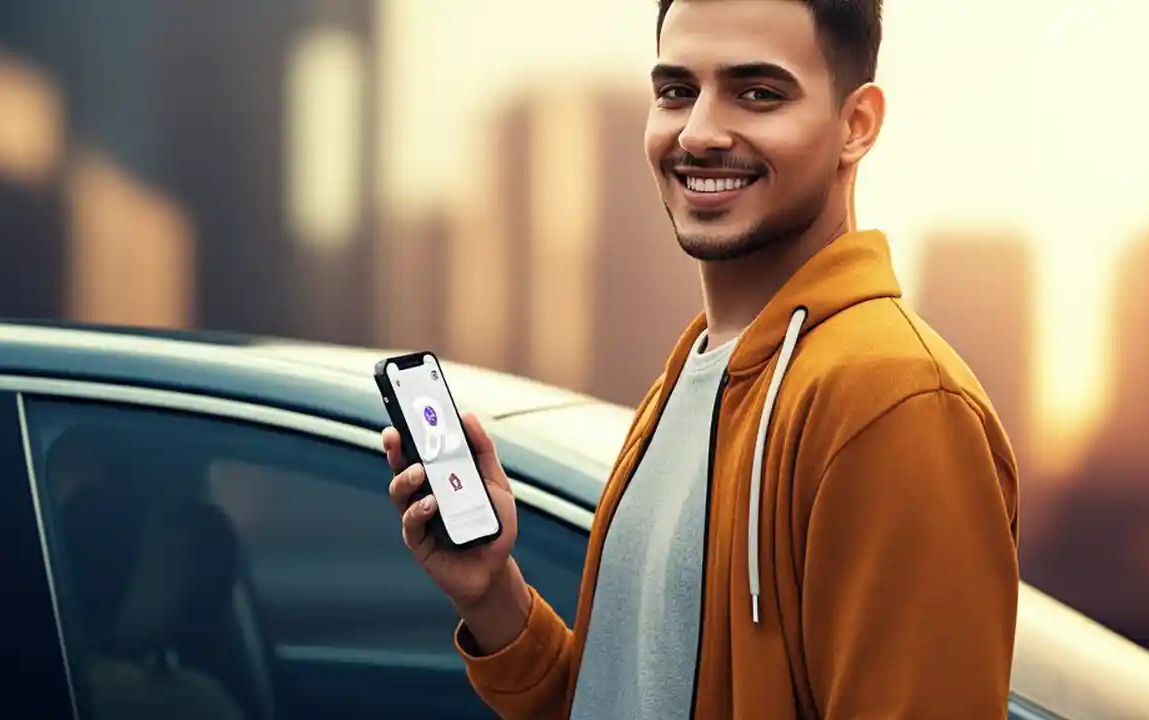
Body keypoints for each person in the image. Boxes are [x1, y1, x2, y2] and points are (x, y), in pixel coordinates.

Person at [381, 0, 1020, 717]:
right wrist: (492, 595)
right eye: (677, 91)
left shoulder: (896, 402)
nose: (699, 132)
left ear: (856, 124)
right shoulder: (695, 374)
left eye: (759, 93)